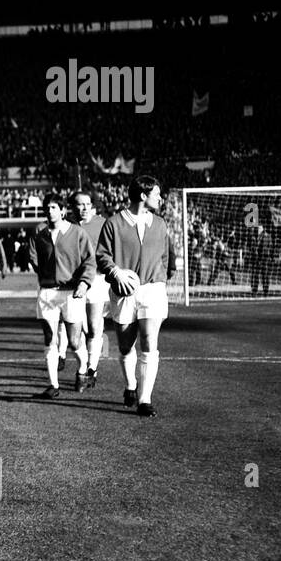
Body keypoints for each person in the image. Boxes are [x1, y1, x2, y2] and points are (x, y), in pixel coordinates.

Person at [97, 175, 177, 417]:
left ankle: (145, 399)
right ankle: (131, 384)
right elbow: (102, 255)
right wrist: (115, 273)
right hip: (123, 292)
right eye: (156, 194)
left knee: (149, 341)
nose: (160, 198)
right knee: (124, 345)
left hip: (152, 289)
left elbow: (167, 257)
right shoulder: (113, 223)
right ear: (143, 196)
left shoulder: (161, 224)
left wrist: (161, 279)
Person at [31, 194, 95, 399]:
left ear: (63, 210)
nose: (50, 211)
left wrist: (84, 283)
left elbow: (89, 261)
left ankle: (83, 369)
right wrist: (44, 276)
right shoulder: (39, 236)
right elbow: (33, 258)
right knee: (50, 339)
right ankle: (53, 385)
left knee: (75, 341)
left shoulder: (77, 233)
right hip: (48, 292)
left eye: (53, 208)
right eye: (47, 208)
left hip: (72, 292)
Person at [71, 190, 109, 388]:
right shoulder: (67, 226)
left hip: (97, 280)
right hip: (72, 283)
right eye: (79, 204)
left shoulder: (102, 223)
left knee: (94, 327)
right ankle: (83, 365)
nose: (84, 208)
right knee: (76, 333)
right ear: (72, 207)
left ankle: (91, 369)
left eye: (87, 204)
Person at [247, 221, 274, 295]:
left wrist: (270, 257)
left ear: (262, 228)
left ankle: (265, 291)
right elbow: (250, 246)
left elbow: (269, 248)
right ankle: (254, 290)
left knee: (264, 275)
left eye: (258, 227)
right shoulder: (253, 236)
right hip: (255, 259)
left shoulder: (266, 236)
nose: (256, 229)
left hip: (264, 258)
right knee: (255, 275)